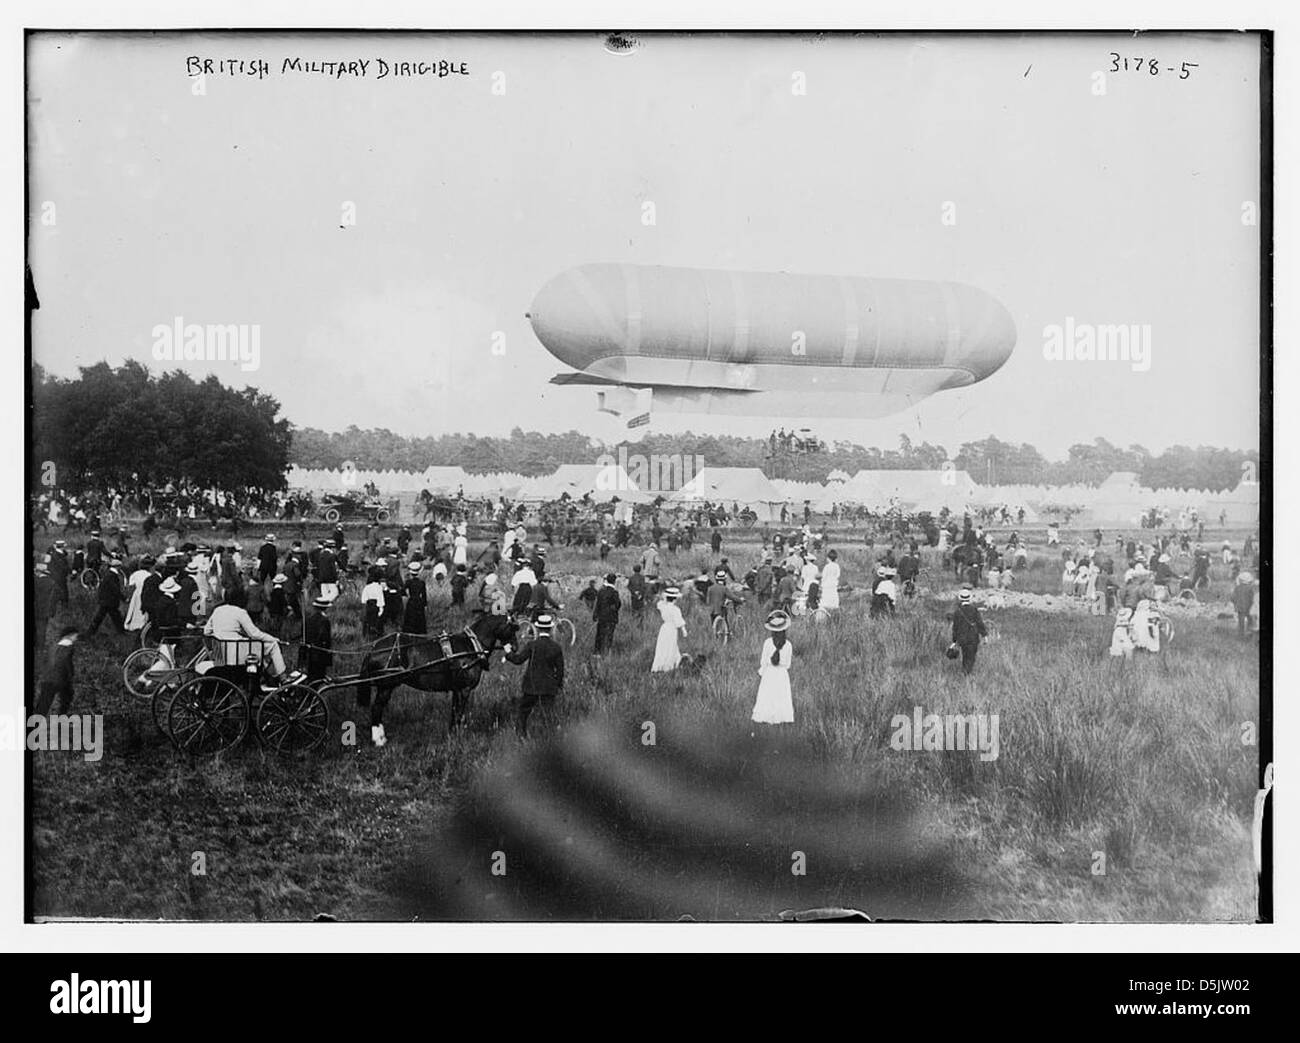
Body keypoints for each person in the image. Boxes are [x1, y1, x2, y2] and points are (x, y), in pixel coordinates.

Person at [204, 587, 293, 683]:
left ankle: (268, 675)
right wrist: (273, 638)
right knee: (272, 646)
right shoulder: (240, 612)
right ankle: (282, 677)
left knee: (256, 649)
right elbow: (254, 634)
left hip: (220, 652)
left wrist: (222, 633)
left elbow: (206, 631)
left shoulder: (218, 610)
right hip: (236, 652)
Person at [504, 613, 565, 736]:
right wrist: (558, 686)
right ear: (550, 628)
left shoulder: (532, 645)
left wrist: (508, 652)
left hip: (531, 686)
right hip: (548, 687)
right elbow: (560, 671)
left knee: (523, 712)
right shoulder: (556, 647)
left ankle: (521, 736)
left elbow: (518, 660)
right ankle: (548, 738)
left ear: (537, 628)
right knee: (548, 715)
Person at [751, 610, 793, 726]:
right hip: (782, 674)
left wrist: (761, 673)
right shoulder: (789, 645)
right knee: (781, 696)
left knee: (767, 696)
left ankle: (767, 718)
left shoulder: (768, 643)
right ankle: (781, 718)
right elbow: (788, 665)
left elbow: (763, 662)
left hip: (769, 674)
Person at [34, 626, 86, 716]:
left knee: (43, 704)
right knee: (67, 697)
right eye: (75, 636)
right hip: (60, 679)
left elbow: (46, 661)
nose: (76, 639)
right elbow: (66, 662)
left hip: (47, 678)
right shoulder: (69, 647)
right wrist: (71, 676)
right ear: (69, 635)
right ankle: (61, 717)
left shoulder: (53, 646)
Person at [84, 555, 127, 636]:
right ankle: (121, 632)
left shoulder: (108, 573)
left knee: (109, 617)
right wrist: (124, 598)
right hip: (109, 601)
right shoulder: (112, 575)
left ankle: (90, 633)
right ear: (118, 567)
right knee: (113, 617)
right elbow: (115, 589)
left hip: (105, 600)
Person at [950, 585, 988, 675]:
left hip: (962, 638)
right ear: (969, 598)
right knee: (971, 656)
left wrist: (954, 641)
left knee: (965, 655)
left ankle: (964, 671)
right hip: (973, 637)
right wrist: (984, 636)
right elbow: (980, 623)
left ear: (960, 599)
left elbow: (955, 627)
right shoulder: (974, 610)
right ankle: (967, 672)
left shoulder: (957, 612)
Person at [651, 586, 687, 673]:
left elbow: (659, 604)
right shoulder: (675, 609)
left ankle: (660, 665)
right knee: (671, 646)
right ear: (675, 599)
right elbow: (679, 621)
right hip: (672, 629)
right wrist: (684, 630)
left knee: (662, 646)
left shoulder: (663, 607)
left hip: (664, 628)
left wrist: (664, 599)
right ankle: (669, 666)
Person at [300, 595, 334, 683]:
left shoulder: (308, 619)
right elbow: (325, 639)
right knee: (318, 676)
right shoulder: (325, 620)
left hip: (308, 651)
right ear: (326, 608)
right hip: (319, 653)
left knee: (311, 674)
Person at [707, 569, 745, 636]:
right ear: (724, 579)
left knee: (714, 625)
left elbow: (708, 600)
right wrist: (740, 600)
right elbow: (732, 597)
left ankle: (716, 637)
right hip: (720, 609)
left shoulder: (710, 588)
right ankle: (727, 632)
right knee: (725, 617)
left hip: (712, 610)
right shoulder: (724, 588)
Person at [593, 573, 621, 655]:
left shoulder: (601, 591)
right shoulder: (614, 592)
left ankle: (597, 652)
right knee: (609, 636)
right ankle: (606, 652)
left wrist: (595, 615)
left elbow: (597, 604)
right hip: (611, 618)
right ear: (614, 581)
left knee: (599, 635)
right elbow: (618, 605)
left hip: (601, 617)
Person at [402, 561, 429, 634]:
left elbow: (402, 590)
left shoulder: (408, 582)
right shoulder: (422, 582)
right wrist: (425, 604)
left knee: (410, 617)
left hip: (411, 601)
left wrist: (406, 595)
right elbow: (424, 594)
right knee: (420, 618)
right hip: (419, 602)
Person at [361, 567, 385, 640]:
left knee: (368, 620)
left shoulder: (367, 587)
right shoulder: (379, 587)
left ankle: (367, 635)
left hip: (369, 606)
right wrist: (381, 608)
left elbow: (363, 599)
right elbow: (380, 599)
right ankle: (377, 635)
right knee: (377, 621)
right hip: (376, 606)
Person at [1232, 571, 1256, 639]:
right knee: (1250, 619)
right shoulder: (1250, 588)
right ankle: (1249, 632)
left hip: (1240, 608)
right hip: (1248, 607)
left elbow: (1233, 597)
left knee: (1241, 622)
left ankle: (1241, 634)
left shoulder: (1237, 588)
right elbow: (1252, 598)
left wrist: (1235, 603)